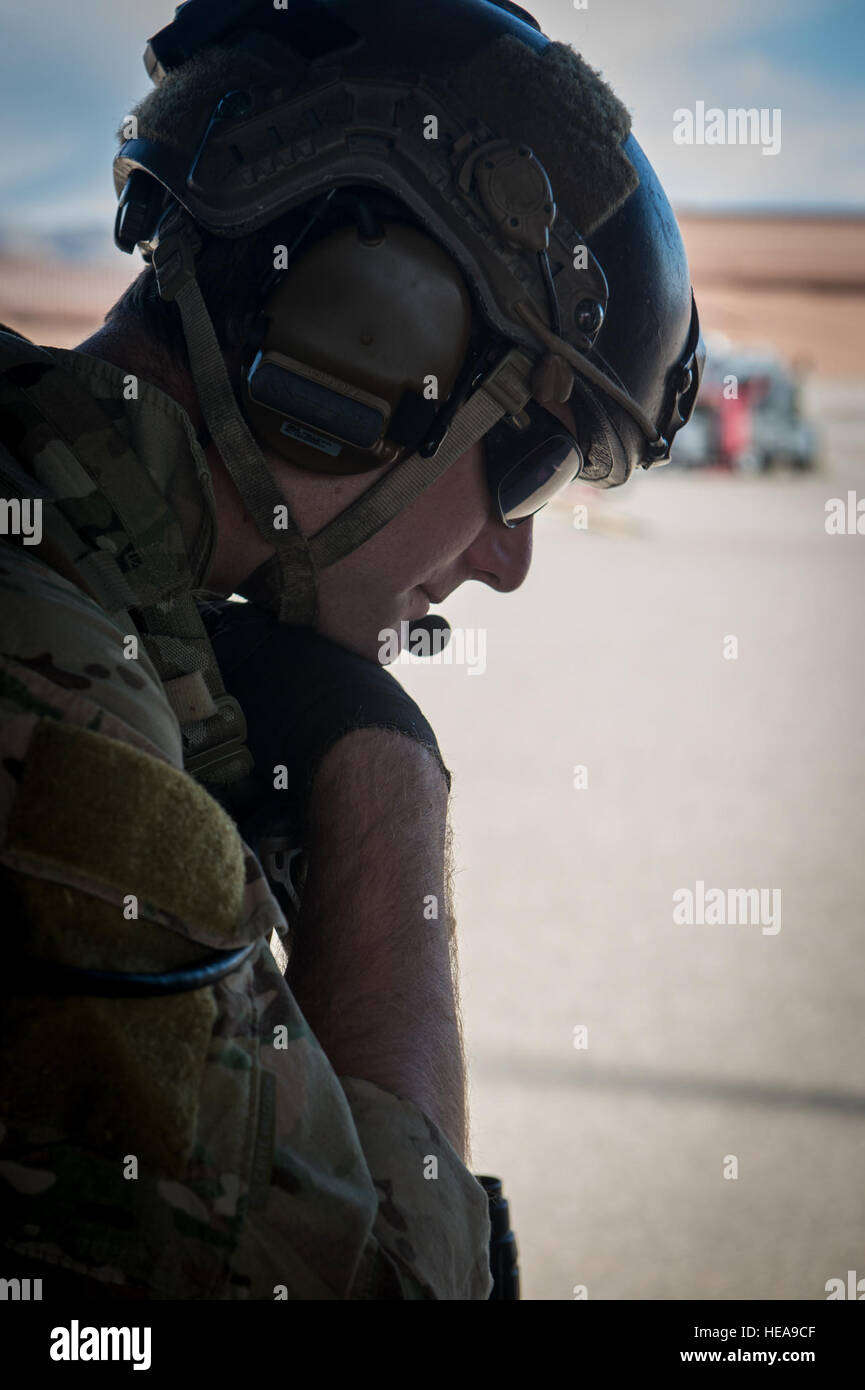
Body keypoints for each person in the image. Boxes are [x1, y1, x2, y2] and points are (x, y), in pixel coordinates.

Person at [0, 0, 703, 1300]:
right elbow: (385, 1284)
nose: (507, 557)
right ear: (369, 338)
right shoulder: (63, 698)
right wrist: (382, 764)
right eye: (529, 465)